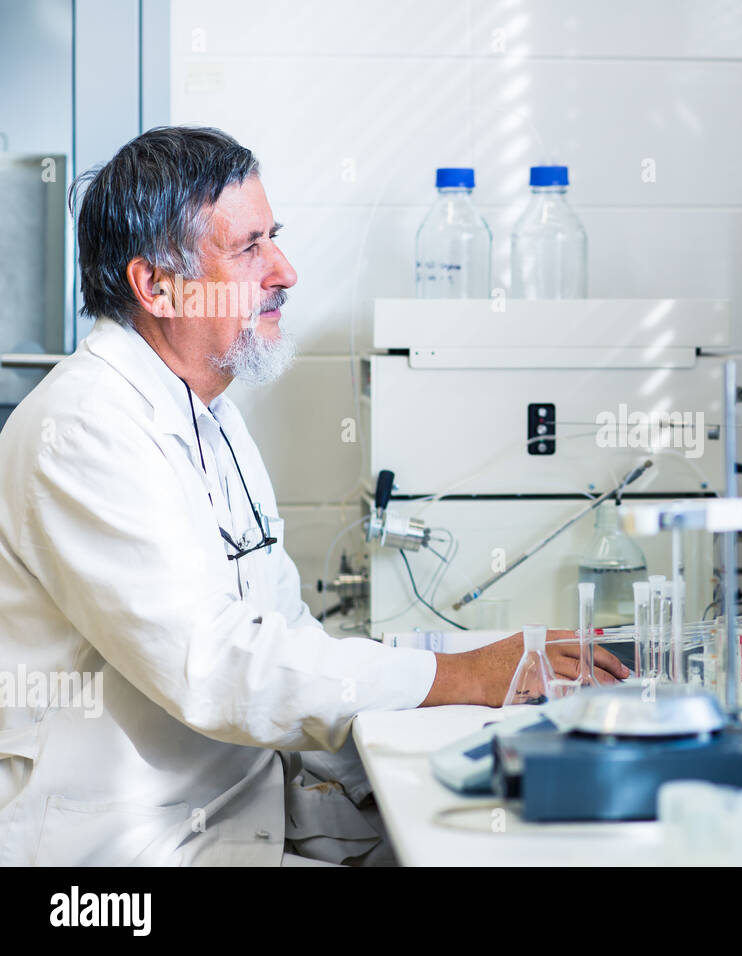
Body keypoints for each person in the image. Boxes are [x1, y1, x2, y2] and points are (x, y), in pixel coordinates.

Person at [0, 126, 627, 866]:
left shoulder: (209, 415)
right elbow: (219, 668)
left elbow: (284, 632)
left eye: (276, 238)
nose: (286, 271)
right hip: (124, 854)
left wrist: (448, 716)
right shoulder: (84, 428)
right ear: (157, 286)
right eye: (249, 247)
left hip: (233, 816)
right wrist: (459, 676)